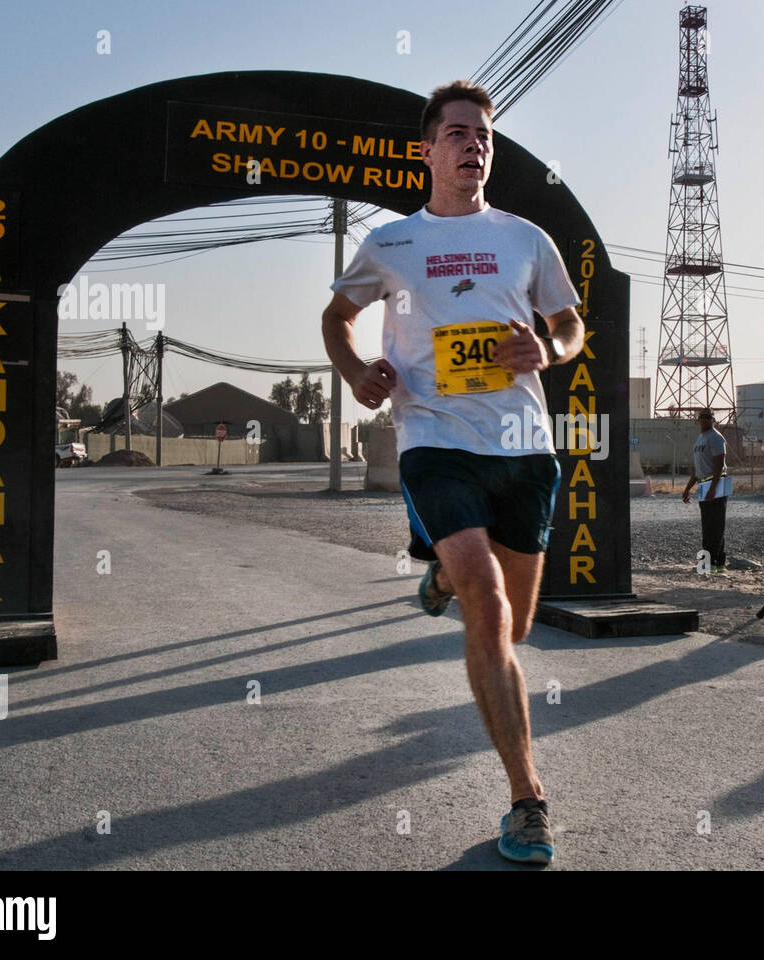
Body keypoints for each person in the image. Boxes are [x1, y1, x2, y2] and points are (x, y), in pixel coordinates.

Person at [320, 80, 584, 865]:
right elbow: (337, 317)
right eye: (461, 133)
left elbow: (568, 324)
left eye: (486, 137)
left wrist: (550, 348)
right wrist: (356, 371)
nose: (476, 145)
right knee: (487, 595)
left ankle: (438, 576)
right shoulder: (392, 244)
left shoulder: (526, 237)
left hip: (523, 445)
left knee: (513, 625)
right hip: (433, 438)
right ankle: (527, 799)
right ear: (428, 149)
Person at [682, 409, 727, 573]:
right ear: (698, 420)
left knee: (714, 525)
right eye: (702, 418)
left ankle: (710, 563)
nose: (705, 420)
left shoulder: (715, 437)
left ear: (713, 420)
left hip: (715, 482)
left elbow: (719, 464)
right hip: (704, 483)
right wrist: (688, 488)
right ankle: (717, 562)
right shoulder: (701, 438)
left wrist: (713, 488)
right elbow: (697, 467)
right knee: (709, 524)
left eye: (708, 418)